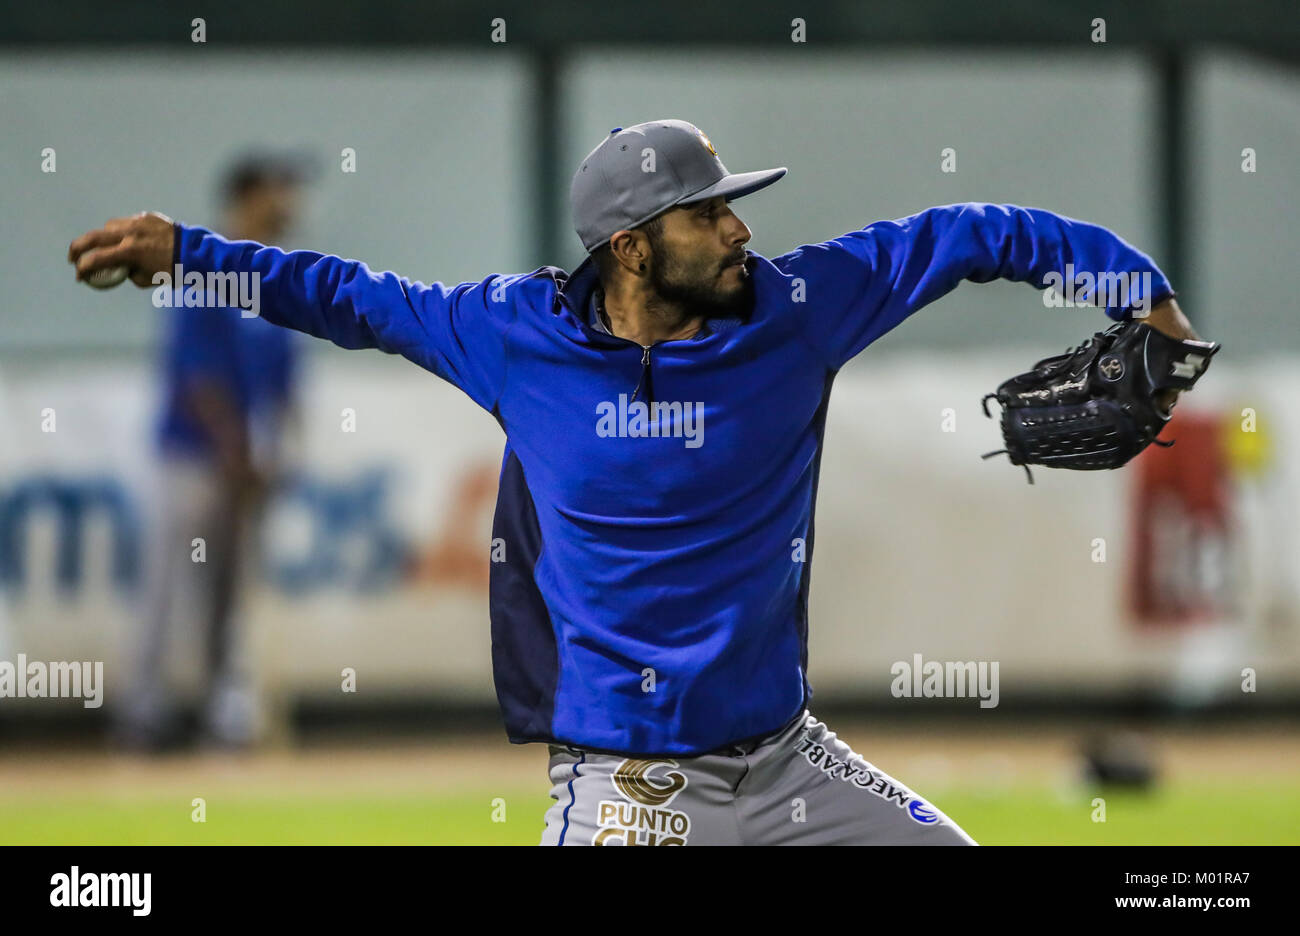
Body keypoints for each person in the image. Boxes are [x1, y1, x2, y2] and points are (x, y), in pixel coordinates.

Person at [70, 119, 1202, 841]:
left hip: (791, 763)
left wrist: (1137, 290)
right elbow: (348, 296)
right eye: (707, 213)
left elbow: (971, 232)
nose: (739, 228)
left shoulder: (799, 310)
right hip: (629, 785)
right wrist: (197, 254)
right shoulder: (513, 335)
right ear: (628, 246)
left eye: (731, 202)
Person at [116, 153, 307, 751]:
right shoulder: (204, 268)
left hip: (245, 462)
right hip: (194, 458)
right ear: (247, 197)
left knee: (231, 595)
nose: (291, 203)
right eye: (280, 190)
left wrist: (273, 452)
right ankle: (144, 713)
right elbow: (197, 379)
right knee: (171, 586)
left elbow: (282, 387)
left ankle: (223, 714)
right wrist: (237, 448)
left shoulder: (279, 277)